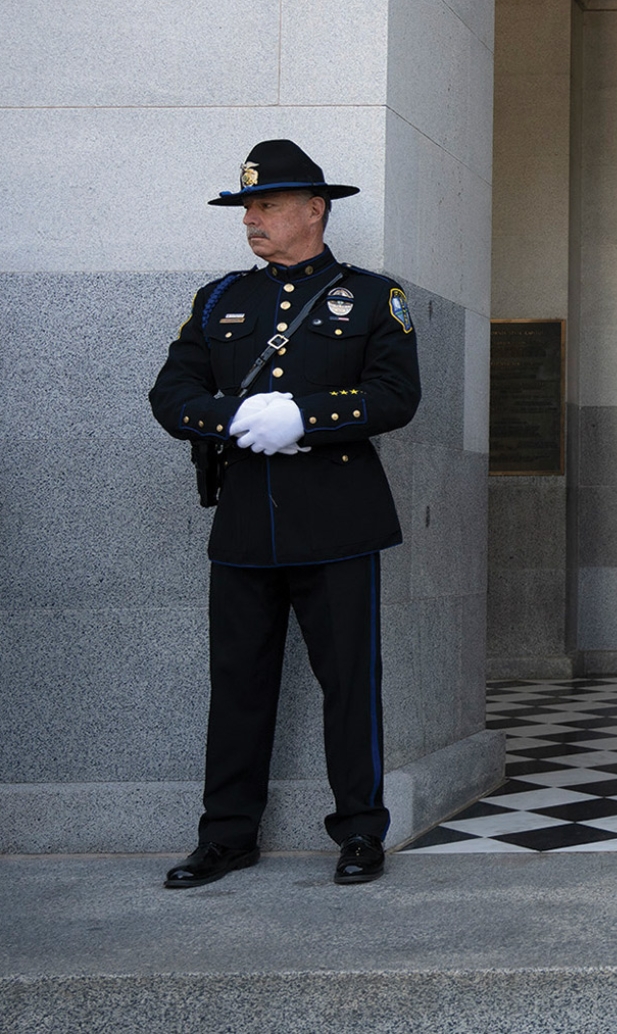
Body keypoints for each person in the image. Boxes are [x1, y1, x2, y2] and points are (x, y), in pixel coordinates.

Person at [148, 139, 420, 888]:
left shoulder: (371, 298)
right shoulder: (219, 299)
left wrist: (304, 418)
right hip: (243, 523)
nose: (253, 221)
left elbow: (397, 397)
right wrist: (236, 420)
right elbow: (171, 396)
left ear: (314, 210)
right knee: (237, 683)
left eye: (267, 206)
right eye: (247, 208)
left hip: (338, 522)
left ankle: (361, 832)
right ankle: (227, 835)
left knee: (349, 684)